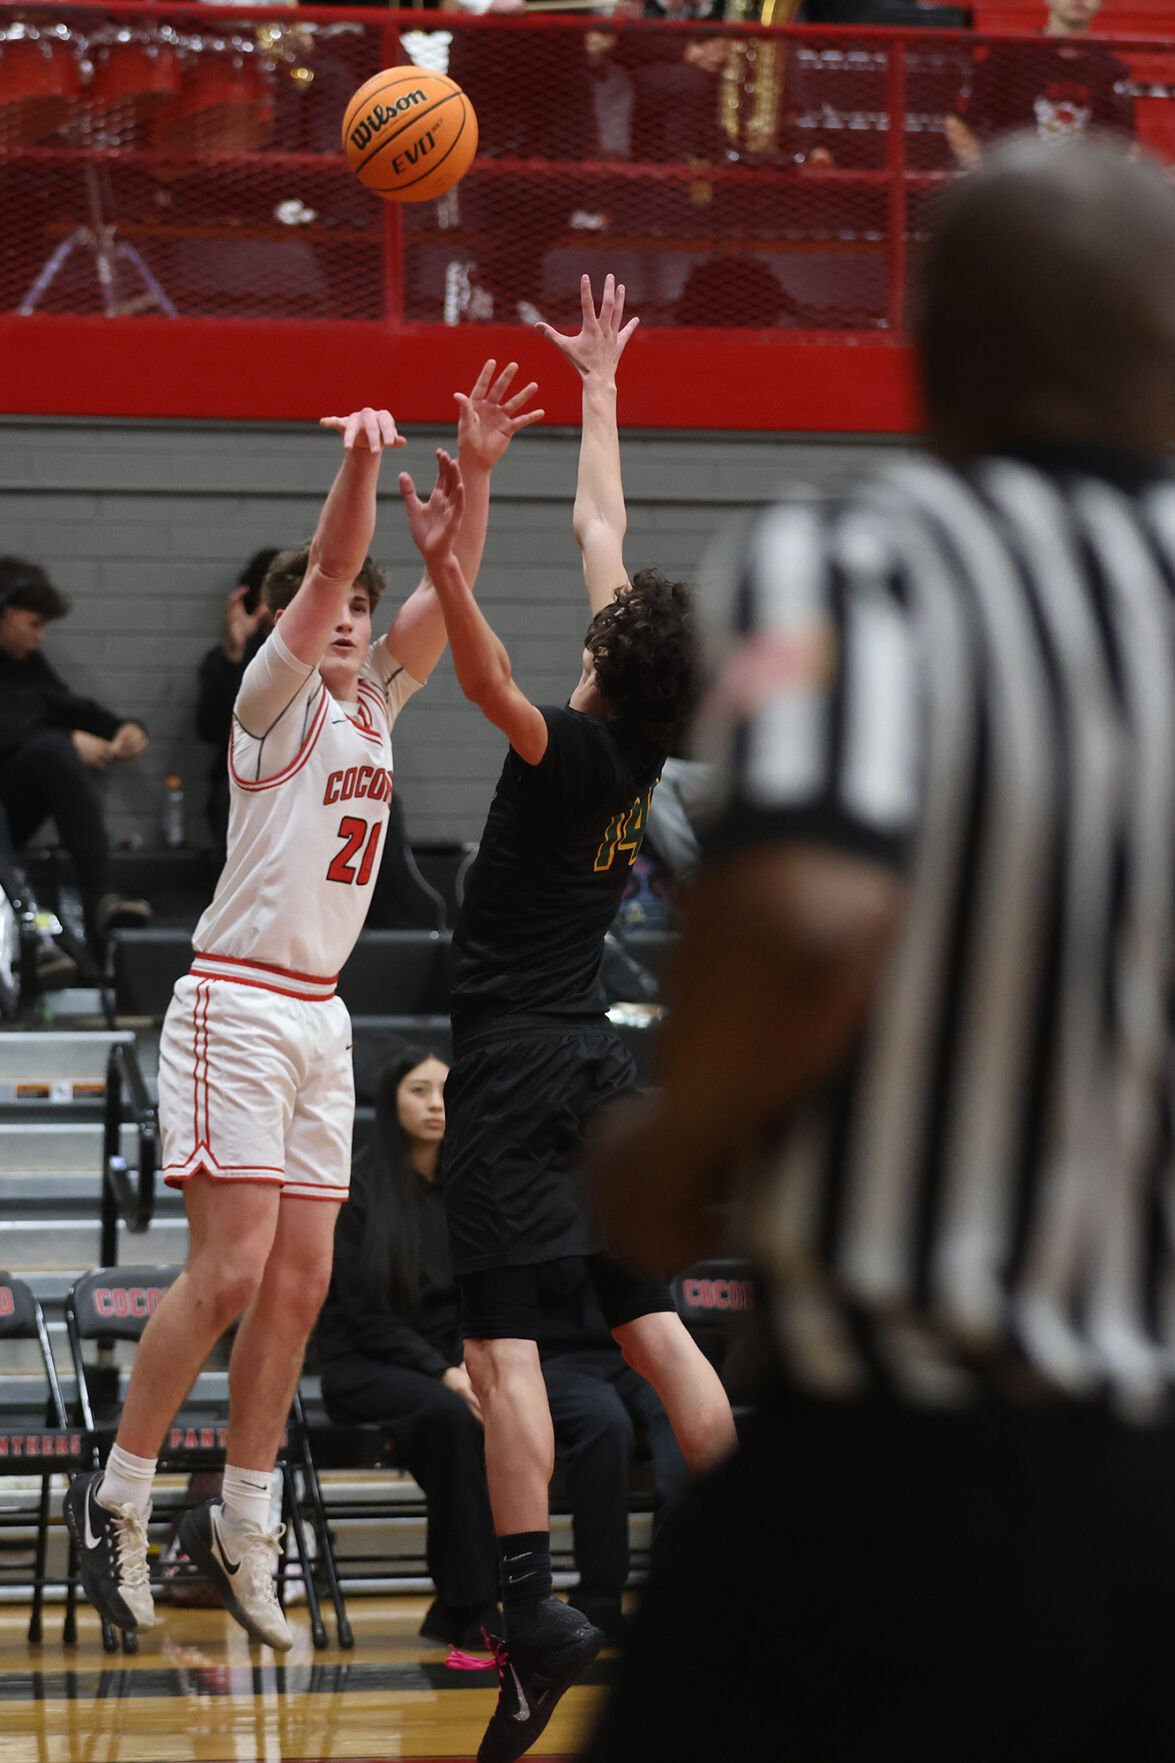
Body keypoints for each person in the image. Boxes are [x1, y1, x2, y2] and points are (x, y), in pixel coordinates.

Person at [578, 135, 1175, 1763]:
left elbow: (805, 910)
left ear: (934, 361)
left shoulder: (853, 560)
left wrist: (677, 1147)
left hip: (904, 1480)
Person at [63, 358, 543, 1651]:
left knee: (298, 1282)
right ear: (283, 624)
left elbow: (438, 608)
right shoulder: (267, 707)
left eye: (357, 613)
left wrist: (478, 481)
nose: (348, 620)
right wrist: (353, 468)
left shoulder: (375, 703)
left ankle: (241, 1518)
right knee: (223, 1268)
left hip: (320, 1016)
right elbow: (335, 571)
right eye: (326, 608)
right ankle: (115, 1494)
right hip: (231, 999)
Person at [398, 273, 737, 1763]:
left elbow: (480, 677)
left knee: (503, 1354)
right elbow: (605, 532)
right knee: (654, 1326)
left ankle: (531, 1608)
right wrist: (597, 385)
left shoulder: (566, 744)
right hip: (599, 1063)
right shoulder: (646, 746)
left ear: (607, 663)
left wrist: (450, 556)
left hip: (515, 1066)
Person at [316, 1041, 502, 1651]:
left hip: (443, 1365)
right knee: (451, 1417)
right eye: (419, 1090)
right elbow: (365, 1317)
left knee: (477, 1416)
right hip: (363, 1365)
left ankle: (457, 1604)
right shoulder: (360, 1189)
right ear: (390, 1101)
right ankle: (475, 1602)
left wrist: (463, 1366)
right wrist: (444, 1373)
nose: (436, 1105)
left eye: (446, 1092)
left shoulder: (468, 1189)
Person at [0, 555, 151, 966]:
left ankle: (100, 900)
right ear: (7, 614)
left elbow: (66, 707)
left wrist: (123, 727)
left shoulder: (27, 666)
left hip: (12, 813)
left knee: (51, 750)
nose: (40, 637)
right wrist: (67, 739)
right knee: (53, 745)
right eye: (33, 624)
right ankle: (30, 930)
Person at [946, 0, 1134, 169]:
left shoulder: (1111, 69)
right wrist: (984, 174)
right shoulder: (1009, 55)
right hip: (1015, 183)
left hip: (1076, 189)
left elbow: (1122, 140)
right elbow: (958, 122)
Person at [194, 548, 277, 858]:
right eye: (274, 592)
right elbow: (208, 728)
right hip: (242, 783)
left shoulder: (322, 658)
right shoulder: (226, 659)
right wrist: (234, 655)